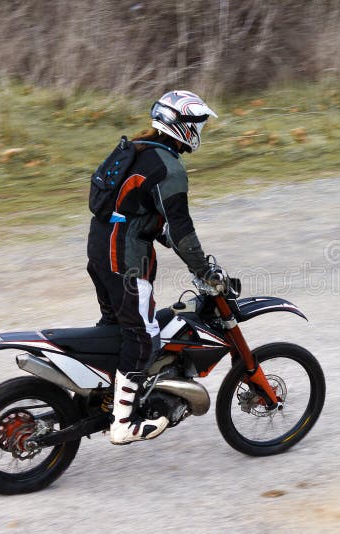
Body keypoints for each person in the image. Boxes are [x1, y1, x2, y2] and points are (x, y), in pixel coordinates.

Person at [86, 90, 217, 444]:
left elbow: (137, 212)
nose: (200, 130)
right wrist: (204, 271)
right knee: (144, 336)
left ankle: (102, 397)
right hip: (125, 261)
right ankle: (123, 422)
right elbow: (181, 228)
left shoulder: (137, 152)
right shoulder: (168, 168)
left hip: (100, 249)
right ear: (182, 126)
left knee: (117, 327)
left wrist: (165, 238)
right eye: (197, 123)